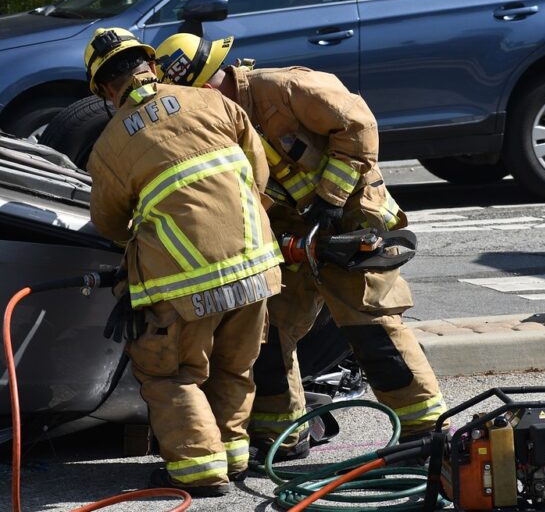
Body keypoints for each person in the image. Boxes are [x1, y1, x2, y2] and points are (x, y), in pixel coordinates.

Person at [154, 32, 447, 462]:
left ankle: (425, 432)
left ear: (216, 78)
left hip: (349, 221)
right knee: (267, 330)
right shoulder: (216, 124)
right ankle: (283, 436)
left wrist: (331, 199)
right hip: (296, 238)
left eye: (202, 92)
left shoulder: (285, 88)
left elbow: (359, 125)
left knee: (370, 326)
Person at [84, 27, 283, 497]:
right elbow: (259, 173)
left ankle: (199, 470)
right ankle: (234, 457)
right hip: (257, 267)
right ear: (151, 66)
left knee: (171, 374)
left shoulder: (109, 145)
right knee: (235, 367)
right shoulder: (212, 101)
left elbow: (110, 223)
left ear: (107, 90)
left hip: (183, 285)